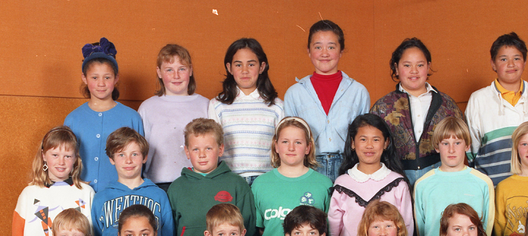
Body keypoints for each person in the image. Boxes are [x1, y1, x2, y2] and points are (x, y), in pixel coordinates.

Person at [282, 19, 370, 181]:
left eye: (331, 47)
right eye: (318, 47)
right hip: (308, 166)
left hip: (348, 166)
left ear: (341, 51)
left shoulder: (358, 91)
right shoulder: (294, 93)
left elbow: (364, 136)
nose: (324, 53)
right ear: (309, 51)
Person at [370, 38, 461, 188]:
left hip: (440, 178)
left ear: (428, 66)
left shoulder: (446, 104)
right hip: (394, 180)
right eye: (407, 65)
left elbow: (462, 142)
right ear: (397, 68)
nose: (414, 71)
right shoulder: (383, 107)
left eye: (420, 65)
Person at [167, 118, 258, 236]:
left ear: (220, 149)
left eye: (208, 148)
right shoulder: (177, 187)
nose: (202, 154)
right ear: (187, 152)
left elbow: (248, 226)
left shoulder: (237, 184)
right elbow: (170, 230)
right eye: (196, 149)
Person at [465, 32, 528, 187]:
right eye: (504, 59)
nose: (511, 64)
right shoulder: (478, 100)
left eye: (517, 58)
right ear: (493, 63)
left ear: (525, 62)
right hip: (493, 188)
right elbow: (472, 152)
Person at [251, 117, 333, 236]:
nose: (291, 148)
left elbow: (329, 229)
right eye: (285, 142)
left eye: (298, 142)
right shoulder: (260, 184)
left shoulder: (323, 184)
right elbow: (260, 228)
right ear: (276, 146)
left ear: (308, 148)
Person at [13, 126, 94, 236]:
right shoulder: (29, 194)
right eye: (55, 155)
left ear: (76, 158)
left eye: (67, 156)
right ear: (44, 156)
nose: (61, 162)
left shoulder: (87, 193)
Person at [63, 38, 145, 192]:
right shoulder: (73, 119)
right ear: (84, 78)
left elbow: (141, 161)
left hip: (121, 196)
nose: (101, 84)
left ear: (116, 78)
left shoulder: (132, 118)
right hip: (80, 197)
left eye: (107, 77)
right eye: (95, 77)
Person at [328, 114, 412, 236]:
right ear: (353, 143)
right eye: (363, 139)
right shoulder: (342, 184)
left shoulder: (398, 184)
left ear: (386, 143)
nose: (369, 146)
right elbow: (334, 229)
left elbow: (406, 227)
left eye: (376, 139)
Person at [412, 116, 495, 236]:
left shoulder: (483, 182)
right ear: (437, 146)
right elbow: (420, 231)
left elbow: (487, 227)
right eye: (445, 143)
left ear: (467, 145)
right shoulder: (422, 184)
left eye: (457, 143)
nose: (451, 149)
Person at [91, 127, 174, 236]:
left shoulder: (159, 195)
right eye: (121, 155)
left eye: (134, 154)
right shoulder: (101, 198)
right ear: (111, 159)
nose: (128, 160)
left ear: (145, 157)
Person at [208, 38, 284, 182]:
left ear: (262, 67)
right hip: (230, 179)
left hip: (266, 179)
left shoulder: (277, 106)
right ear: (229, 68)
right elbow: (213, 146)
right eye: (238, 65)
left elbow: (282, 147)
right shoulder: (217, 105)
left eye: (251, 64)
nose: (244, 71)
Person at [139, 44, 212, 190]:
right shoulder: (147, 107)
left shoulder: (206, 105)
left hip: (197, 182)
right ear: (159, 72)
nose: (176, 76)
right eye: (169, 70)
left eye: (182, 69)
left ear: (190, 70)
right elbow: (139, 149)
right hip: (158, 184)